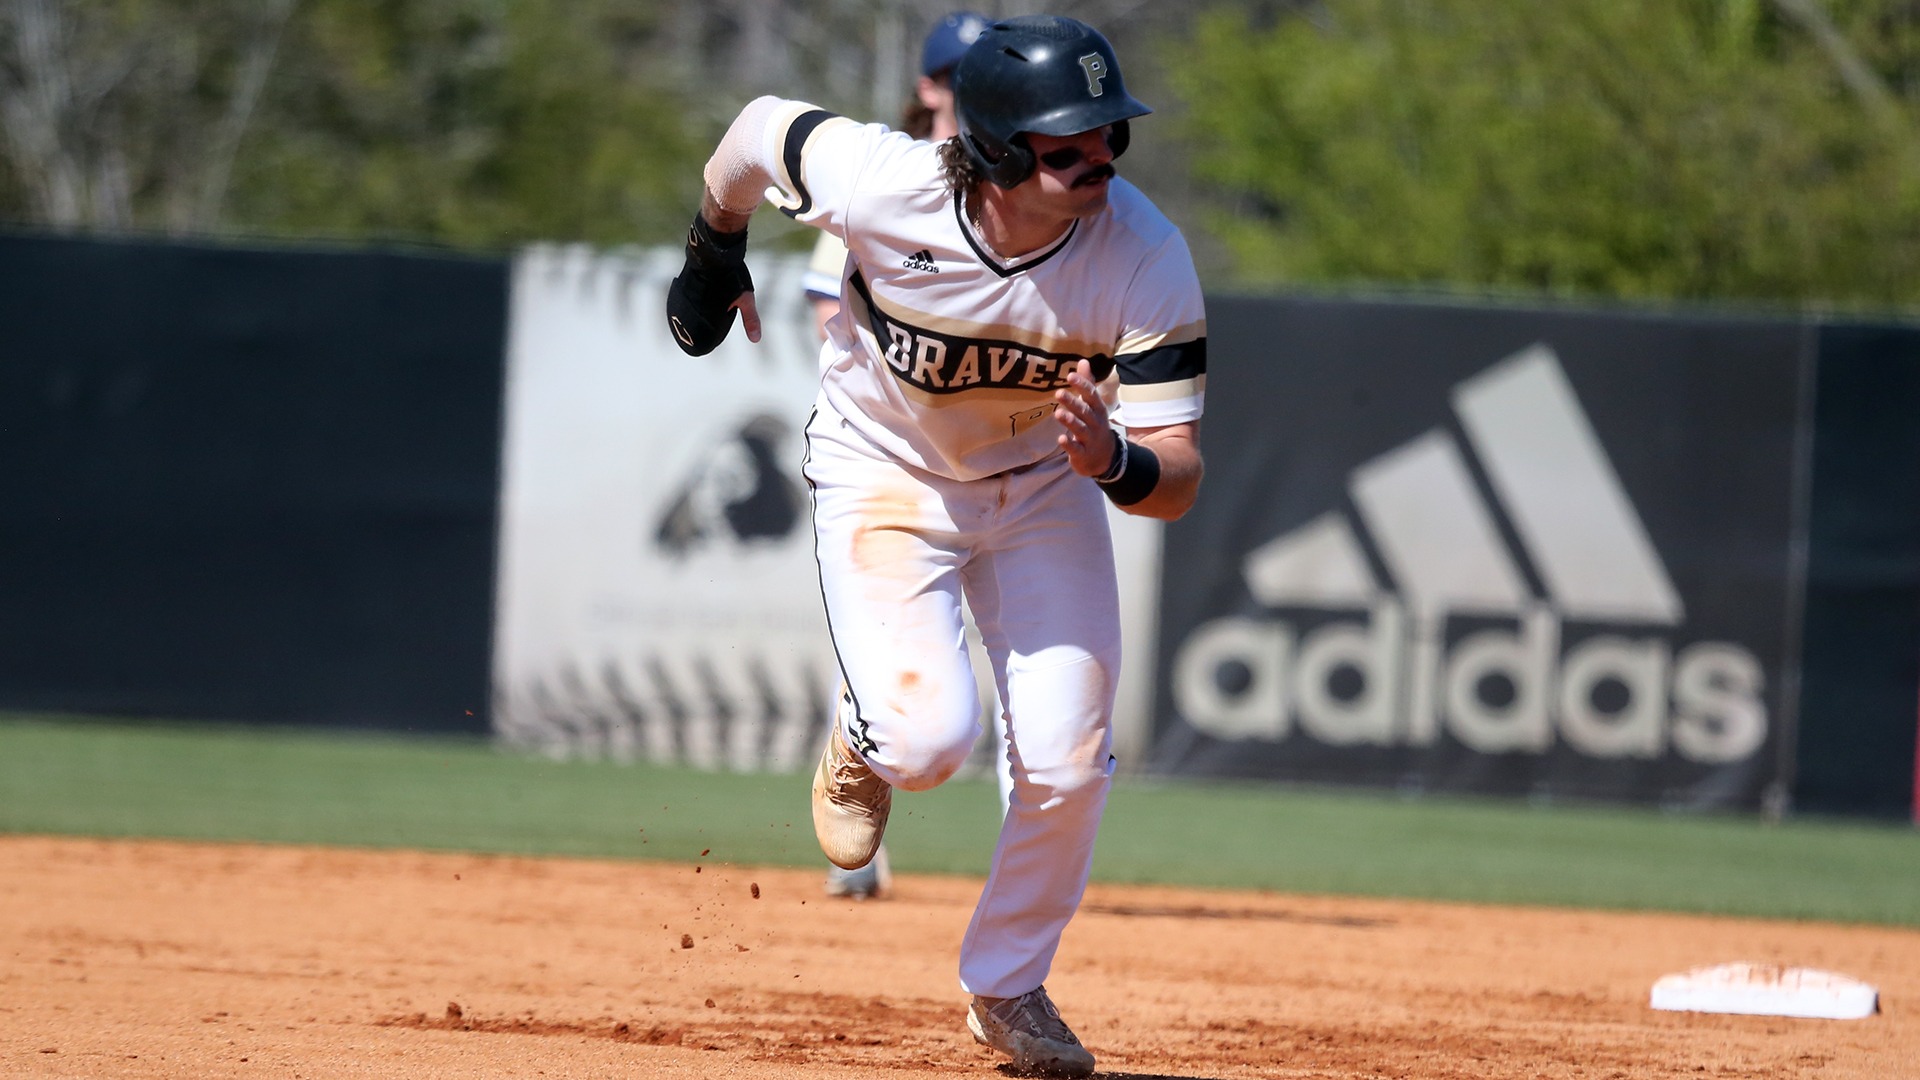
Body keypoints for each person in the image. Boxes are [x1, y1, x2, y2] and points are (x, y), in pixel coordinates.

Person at [663, 15, 1206, 1078]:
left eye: (1110, 140)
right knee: (925, 744)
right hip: (884, 472)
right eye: (1067, 148)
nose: (1099, 162)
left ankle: (1007, 986)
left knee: (1065, 758)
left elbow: (1176, 476)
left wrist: (1113, 464)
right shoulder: (883, 181)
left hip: (1046, 490)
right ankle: (867, 737)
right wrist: (711, 250)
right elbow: (756, 130)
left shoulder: (1143, 256)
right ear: (997, 151)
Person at [807, 10, 992, 905]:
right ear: (928, 86)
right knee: (878, 664)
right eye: (956, 75)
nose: (968, 90)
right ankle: (863, 822)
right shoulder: (878, 178)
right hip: (886, 461)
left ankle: (1023, 887)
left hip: (999, 470)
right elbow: (825, 307)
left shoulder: (1028, 195)